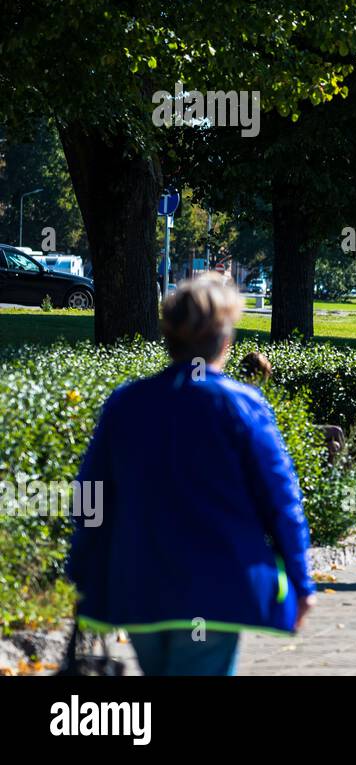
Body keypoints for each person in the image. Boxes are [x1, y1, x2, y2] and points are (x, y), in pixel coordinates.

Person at [66, 274, 315, 675]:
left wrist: (82, 567)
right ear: (224, 341)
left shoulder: (126, 404)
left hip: (140, 586)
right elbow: (281, 501)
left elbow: (90, 496)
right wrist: (301, 582)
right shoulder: (243, 406)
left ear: (169, 335)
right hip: (216, 591)